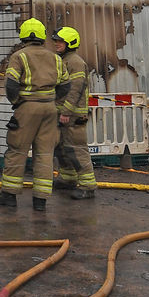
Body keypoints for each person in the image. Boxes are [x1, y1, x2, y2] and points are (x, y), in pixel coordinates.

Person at [0, 17, 69, 211]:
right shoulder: (55, 58)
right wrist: (52, 99)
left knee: (17, 150)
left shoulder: (19, 56)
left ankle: (9, 196)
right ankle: (40, 201)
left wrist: (17, 102)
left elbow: (10, 85)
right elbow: (66, 85)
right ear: (42, 36)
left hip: (26, 108)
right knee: (44, 153)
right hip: (49, 109)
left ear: (23, 36)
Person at [51, 26, 98, 199]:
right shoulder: (63, 60)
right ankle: (68, 178)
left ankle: (87, 185)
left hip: (73, 116)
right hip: (63, 113)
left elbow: (75, 89)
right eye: (55, 40)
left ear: (69, 43)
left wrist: (67, 111)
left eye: (60, 41)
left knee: (76, 149)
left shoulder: (75, 62)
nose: (56, 44)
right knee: (62, 148)